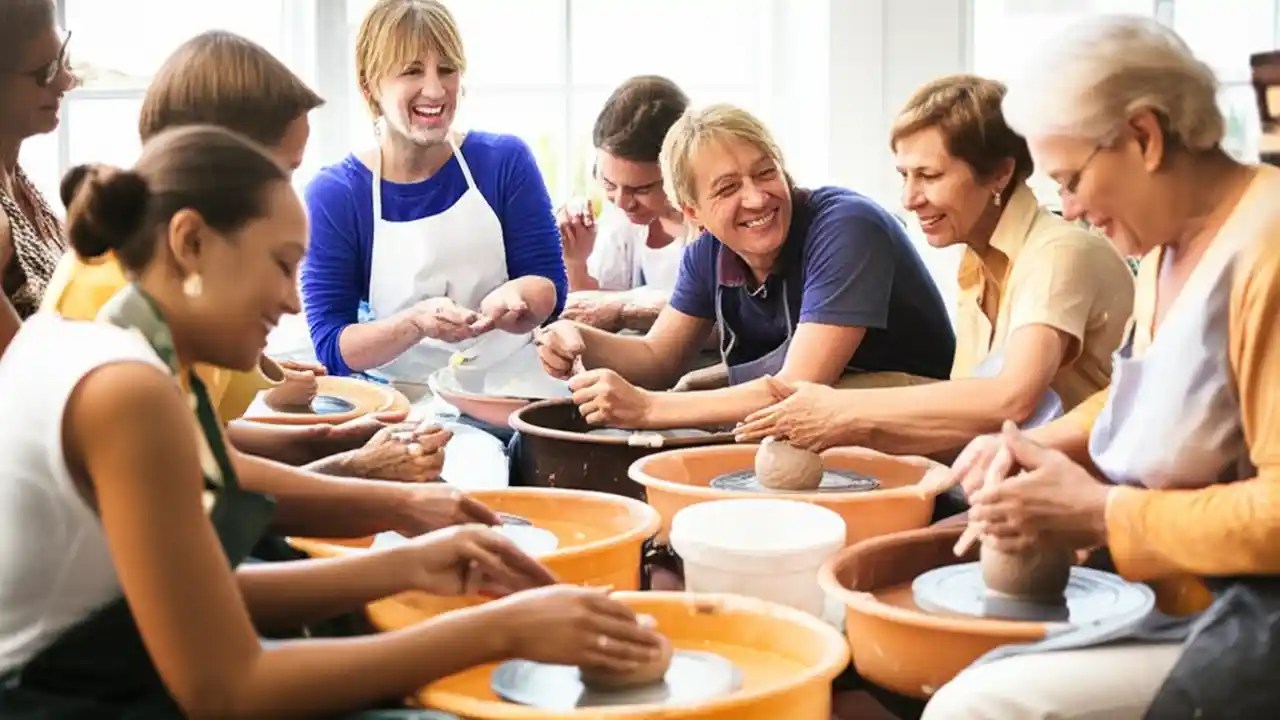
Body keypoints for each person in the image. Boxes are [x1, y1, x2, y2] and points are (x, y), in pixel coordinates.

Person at [0, 125, 664, 718]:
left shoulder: (95, 342)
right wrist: (503, 629)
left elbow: (202, 596)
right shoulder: (124, 390)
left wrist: (413, 561)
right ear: (190, 242)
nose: (293, 297)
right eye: (282, 265)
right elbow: (229, 688)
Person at [917, 16, 1280, 718]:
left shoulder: (1266, 251)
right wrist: (1031, 443)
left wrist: (1102, 513)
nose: (1071, 208)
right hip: (1180, 590)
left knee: (977, 707)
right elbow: (1144, 391)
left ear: (1144, 136)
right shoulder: (1166, 249)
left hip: (1250, 607)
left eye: (1073, 178)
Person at [39, 31, 485, 555]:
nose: (292, 301)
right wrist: (367, 482)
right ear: (215, 158)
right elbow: (206, 520)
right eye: (282, 171)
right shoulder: (120, 311)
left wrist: (340, 440)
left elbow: (205, 449)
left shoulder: (165, 278)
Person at [735, 75, 1134, 461]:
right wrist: (851, 432)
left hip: (1099, 493)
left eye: (929, 176)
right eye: (904, 176)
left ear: (1000, 172)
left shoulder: (1059, 252)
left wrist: (846, 410)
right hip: (1023, 477)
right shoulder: (976, 263)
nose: (909, 199)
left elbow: (1012, 397)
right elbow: (973, 423)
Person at [534, 103, 955, 430]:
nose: (756, 199)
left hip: (918, 409)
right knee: (692, 391)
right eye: (728, 188)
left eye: (765, 173)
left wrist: (647, 408)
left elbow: (797, 389)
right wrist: (579, 339)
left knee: (758, 431)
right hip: (826, 399)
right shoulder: (708, 253)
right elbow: (658, 357)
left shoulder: (847, 226)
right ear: (692, 210)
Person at [302, 0, 566, 417]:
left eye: (446, 69)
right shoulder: (336, 194)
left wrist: (519, 299)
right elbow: (334, 346)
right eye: (411, 71)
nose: (435, 89)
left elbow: (551, 285)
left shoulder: (503, 161)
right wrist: (416, 322)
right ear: (370, 85)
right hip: (406, 408)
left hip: (516, 392)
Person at [557, 75, 697, 334]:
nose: (622, 202)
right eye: (609, 183)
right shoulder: (624, 225)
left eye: (641, 189)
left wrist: (623, 310)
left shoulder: (710, 232)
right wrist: (576, 262)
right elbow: (597, 315)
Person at [0, 0, 73, 321]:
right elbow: (21, 368)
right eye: (47, 71)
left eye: (63, 61)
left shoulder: (19, 182)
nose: (66, 81)